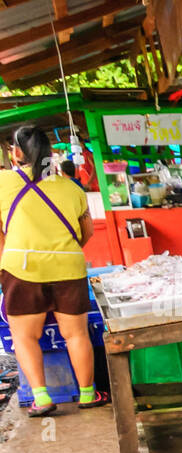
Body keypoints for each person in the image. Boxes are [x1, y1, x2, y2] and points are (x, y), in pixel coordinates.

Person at [0, 126, 104, 416]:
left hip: (22, 269)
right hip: (68, 267)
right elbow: (87, 232)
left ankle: (42, 398)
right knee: (76, 334)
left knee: (24, 336)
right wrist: (66, 250)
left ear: (18, 152)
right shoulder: (71, 187)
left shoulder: (3, 183)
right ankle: (87, 394)